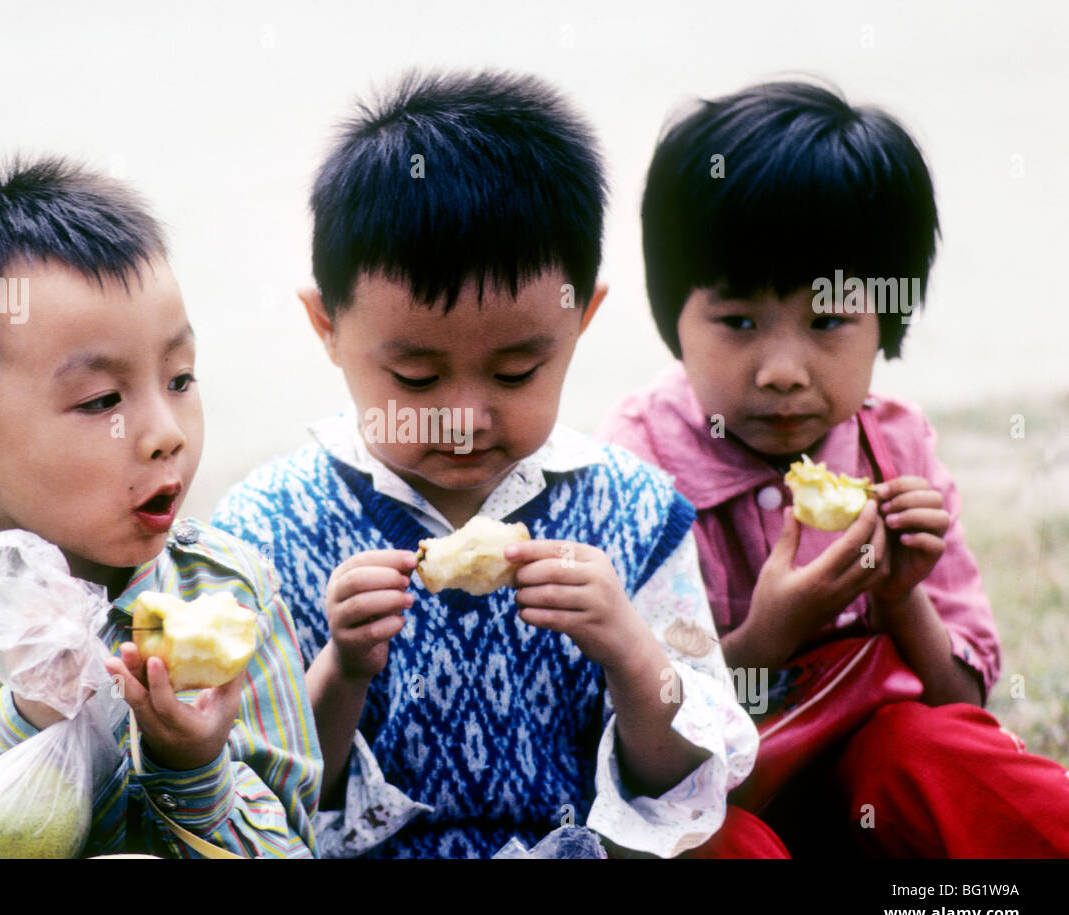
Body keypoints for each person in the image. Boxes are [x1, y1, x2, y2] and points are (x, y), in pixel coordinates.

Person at [211, 71, 785, 858]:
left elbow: (686, 783)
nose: (465, 417)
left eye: (516, 372)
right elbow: (254, 803)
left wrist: (628, 647)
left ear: (581, 320)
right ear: (327, 326)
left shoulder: (634, 514)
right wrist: (341, 669)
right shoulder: (265, 533)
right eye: (415, 377)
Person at [597, 80, 1069, 856]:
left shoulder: (895, 449)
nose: (783, 370)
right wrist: (768, 636)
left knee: (941, 757)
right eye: (739, 321)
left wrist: (902, 596)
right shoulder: (638, 471)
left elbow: (960, 699)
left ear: (889, 317)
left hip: (870, 788)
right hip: (718, 795)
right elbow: (636, 754)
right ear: (671, 316)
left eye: (828, 320)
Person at [0, 157, 321, 857]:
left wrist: (195, 767)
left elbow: (296, 847)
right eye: (100, 402)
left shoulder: (232, 595)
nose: (165, 434)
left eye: (180, 379)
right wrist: (26, 714)